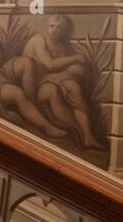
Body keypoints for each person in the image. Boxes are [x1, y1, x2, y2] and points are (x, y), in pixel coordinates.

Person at [22, 15, 101, 149]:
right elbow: (50, 65)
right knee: (53, 91)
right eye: (52, 26)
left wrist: (75, 68)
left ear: (64, 31)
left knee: (74, 87)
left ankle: (88, 136)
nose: (54, 30)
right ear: (47, 26)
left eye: (59, 28)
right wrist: (75, 59)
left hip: (50, 80)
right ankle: (77, 131)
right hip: (32, 86)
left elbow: (71, 67)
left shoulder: (62, 44)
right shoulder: (39, 40)